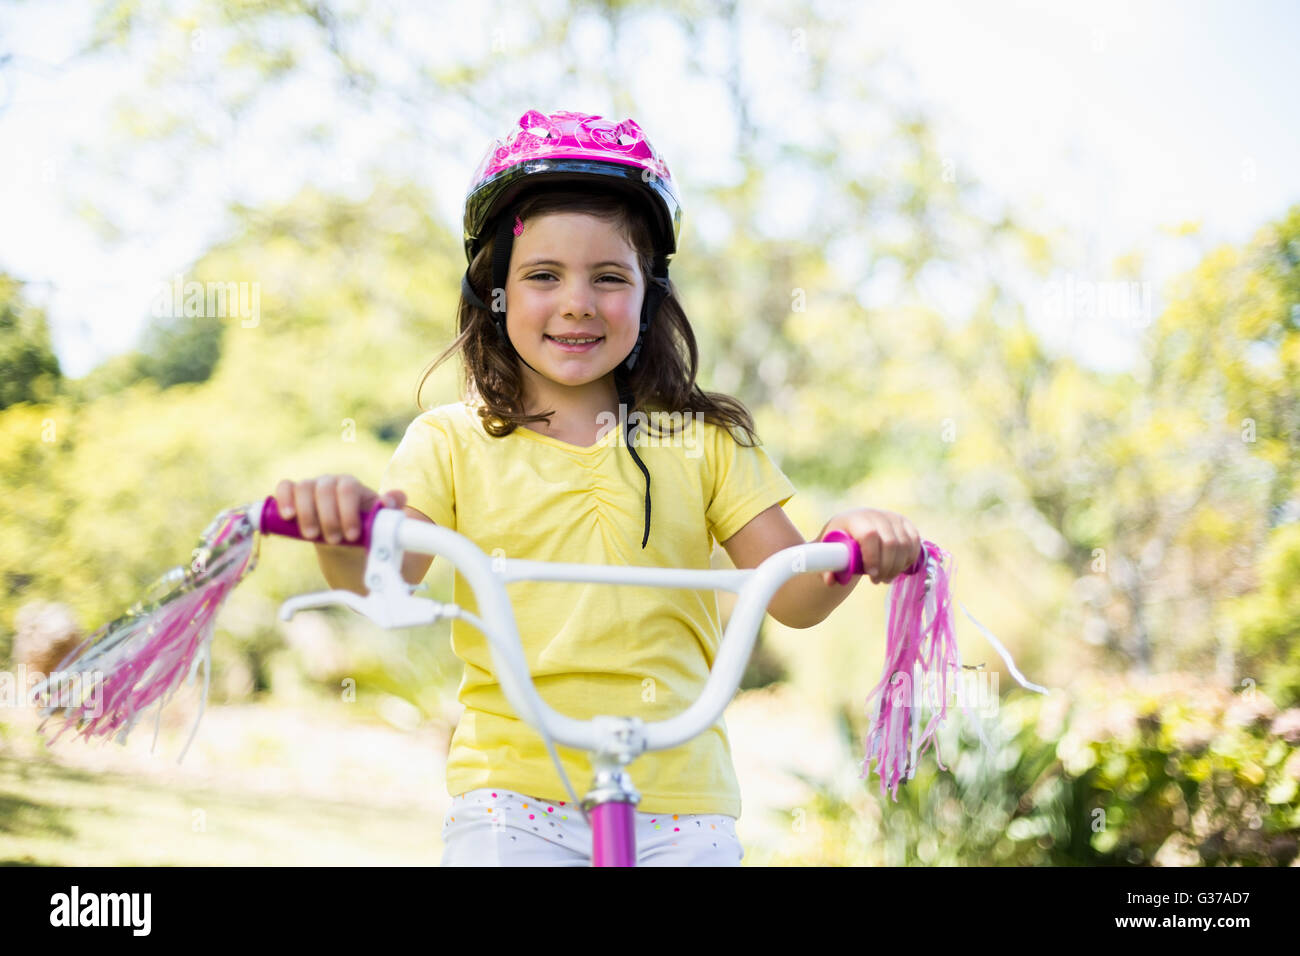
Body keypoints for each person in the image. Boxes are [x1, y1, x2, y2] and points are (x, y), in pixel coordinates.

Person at [272, 109, 922, 866]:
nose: (577, 301)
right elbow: (385, 580)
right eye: (543, 276)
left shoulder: (705, 441)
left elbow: (793, 595)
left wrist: (847, 540)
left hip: (681, 799)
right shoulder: (449, 442)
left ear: (649, 295)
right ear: (498, 294)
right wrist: (341, 535)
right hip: (512, 795)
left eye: (609, 277)